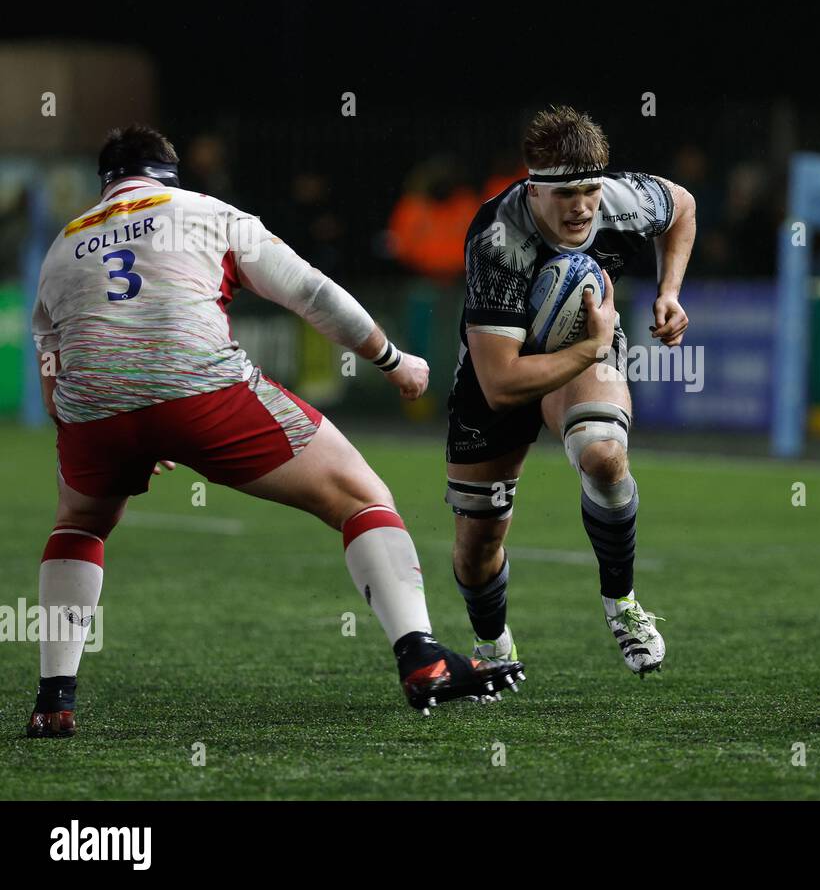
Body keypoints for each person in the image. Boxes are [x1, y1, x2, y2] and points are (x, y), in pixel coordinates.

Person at [26, 125, 520, 738]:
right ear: (170, 175)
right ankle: (420, 656)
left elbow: (53, 383)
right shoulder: (205, 211)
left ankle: (54, 700)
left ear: (106, 183)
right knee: (360, 497)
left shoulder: (60, 248)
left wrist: (129, 431)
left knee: (78, 524)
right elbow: (312, 293)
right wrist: (393, 359)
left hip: (92, 412)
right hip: (201, 391)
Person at [445, 105, 696, 675]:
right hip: (502, 369)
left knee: (604, 457)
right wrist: (590, 346)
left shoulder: (621, 200)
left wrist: (670, 290)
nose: (582, 205)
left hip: (586, 349)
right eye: (565, 194)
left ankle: (623, 603)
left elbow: (683, 207)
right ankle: (493, 646)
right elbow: (501, 383)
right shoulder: (497, 239)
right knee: (478, 548)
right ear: (534, 189)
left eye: (589, 189)